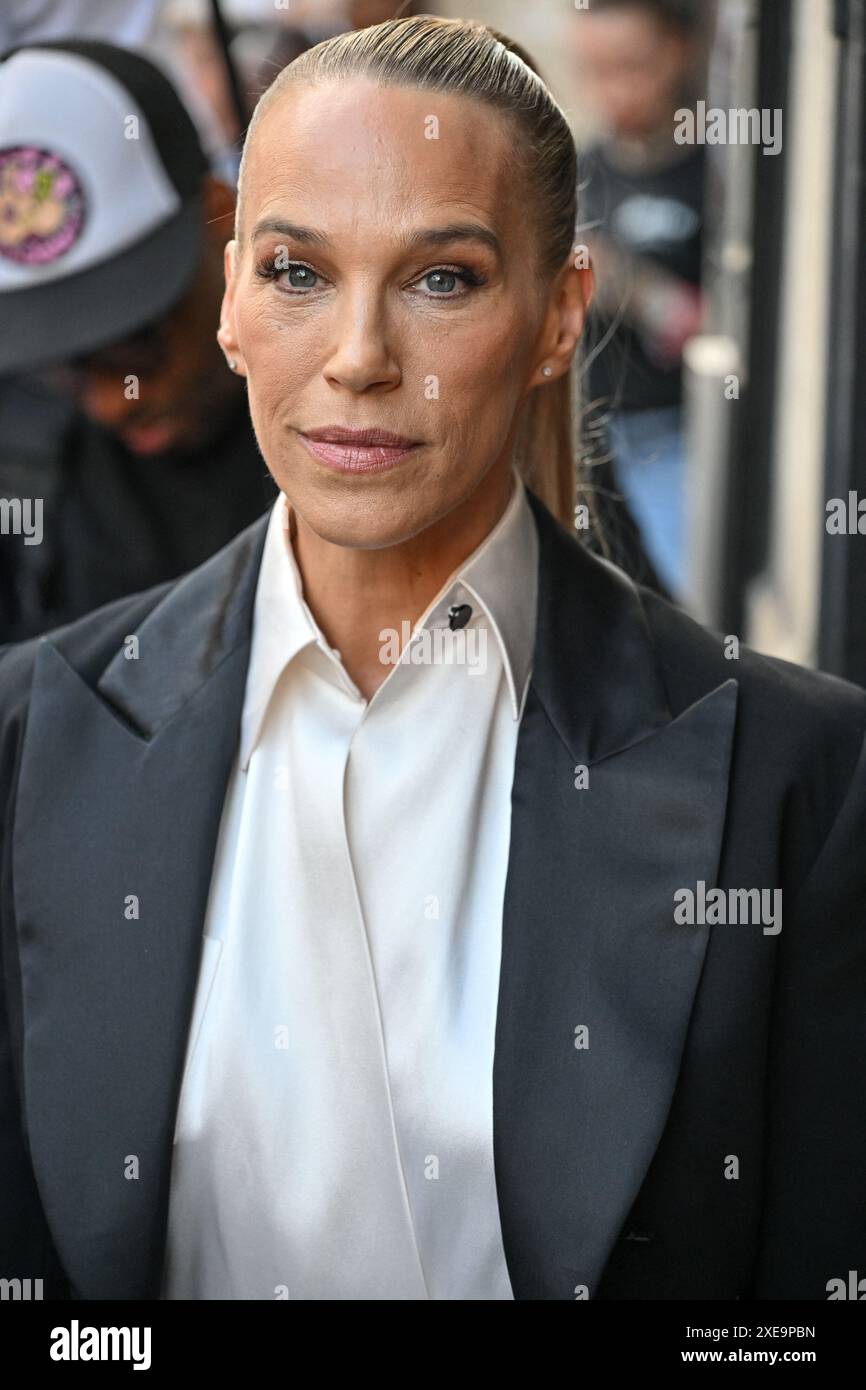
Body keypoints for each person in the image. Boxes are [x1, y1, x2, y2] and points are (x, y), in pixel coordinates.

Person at [1, 15, 865, 1302]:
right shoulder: (30, 743)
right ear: (231, 291)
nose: (357, 357)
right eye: (296, 271)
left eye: (442, 278)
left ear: (559, 314)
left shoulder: (797, 780)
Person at [0, 41, 277, 642]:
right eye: (62, 364)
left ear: (222, 217)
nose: (109, 402)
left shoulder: (351, 428)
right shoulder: (24, 480)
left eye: (135, 344)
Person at [571, 0, 707, 598]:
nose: (616, 91)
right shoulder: (580, 172)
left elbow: (722, 330)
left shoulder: (714, 174)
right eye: (597, 72)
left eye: (633, 67)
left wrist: (635, 289)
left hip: (674, 437)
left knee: (682, 601)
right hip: (587, 439)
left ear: (679, 50)